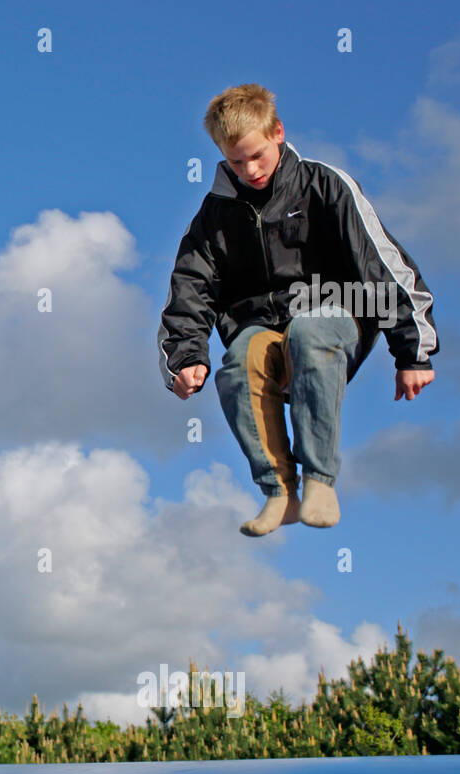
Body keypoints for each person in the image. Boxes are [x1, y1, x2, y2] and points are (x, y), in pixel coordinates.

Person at [157, 84, 438, 534]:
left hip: (335, 313)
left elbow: (380, 263)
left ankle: (319, 481)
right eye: (235, 162)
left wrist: (412, 352)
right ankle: (279, 491)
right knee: (240, 359)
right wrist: (187, 356)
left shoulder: (324, 185)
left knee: (309, 331)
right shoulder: (215, 214)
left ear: (278, 133)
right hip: (263, 325)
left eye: (258, 156)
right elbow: (190, 286)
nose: (250, 170)